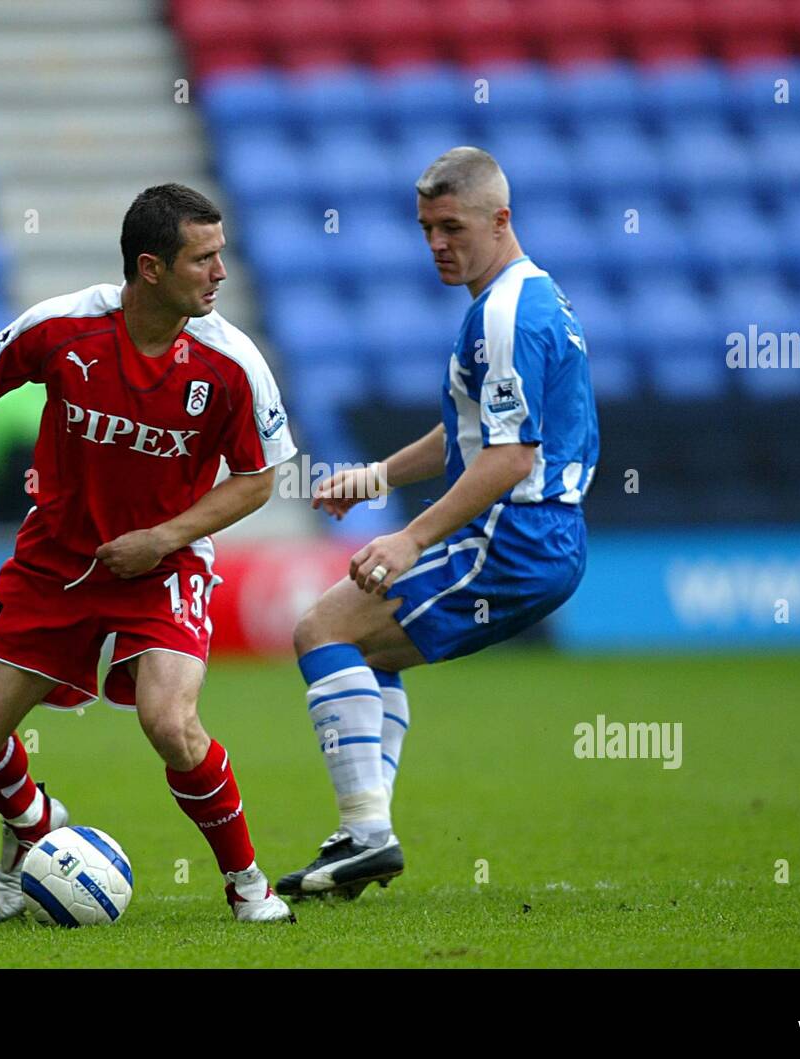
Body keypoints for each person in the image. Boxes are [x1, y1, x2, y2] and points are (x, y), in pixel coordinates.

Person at [0, 184, 297, 923]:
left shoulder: (232, 362)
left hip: (165, 564)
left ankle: (248, 886)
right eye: (204, 258)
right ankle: (36, 826)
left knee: (171, 721)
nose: (221, 273)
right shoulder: (63, 326)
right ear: (151, 268)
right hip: (56, 560)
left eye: (221, 254)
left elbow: (260, 480)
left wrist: (163, 538)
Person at [277, 147, 600, 899]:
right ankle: (363, 836)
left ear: (500, 218)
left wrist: (409, 534)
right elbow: (474, 435)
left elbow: (511, 459)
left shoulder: (507, 313)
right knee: (363, 652)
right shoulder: (529, 297)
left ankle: (367, 833)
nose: (437, 244)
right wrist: (379, 476)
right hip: (542, 538)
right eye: (426, 228)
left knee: (320, 630)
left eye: (451, 226)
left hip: (514, 534)